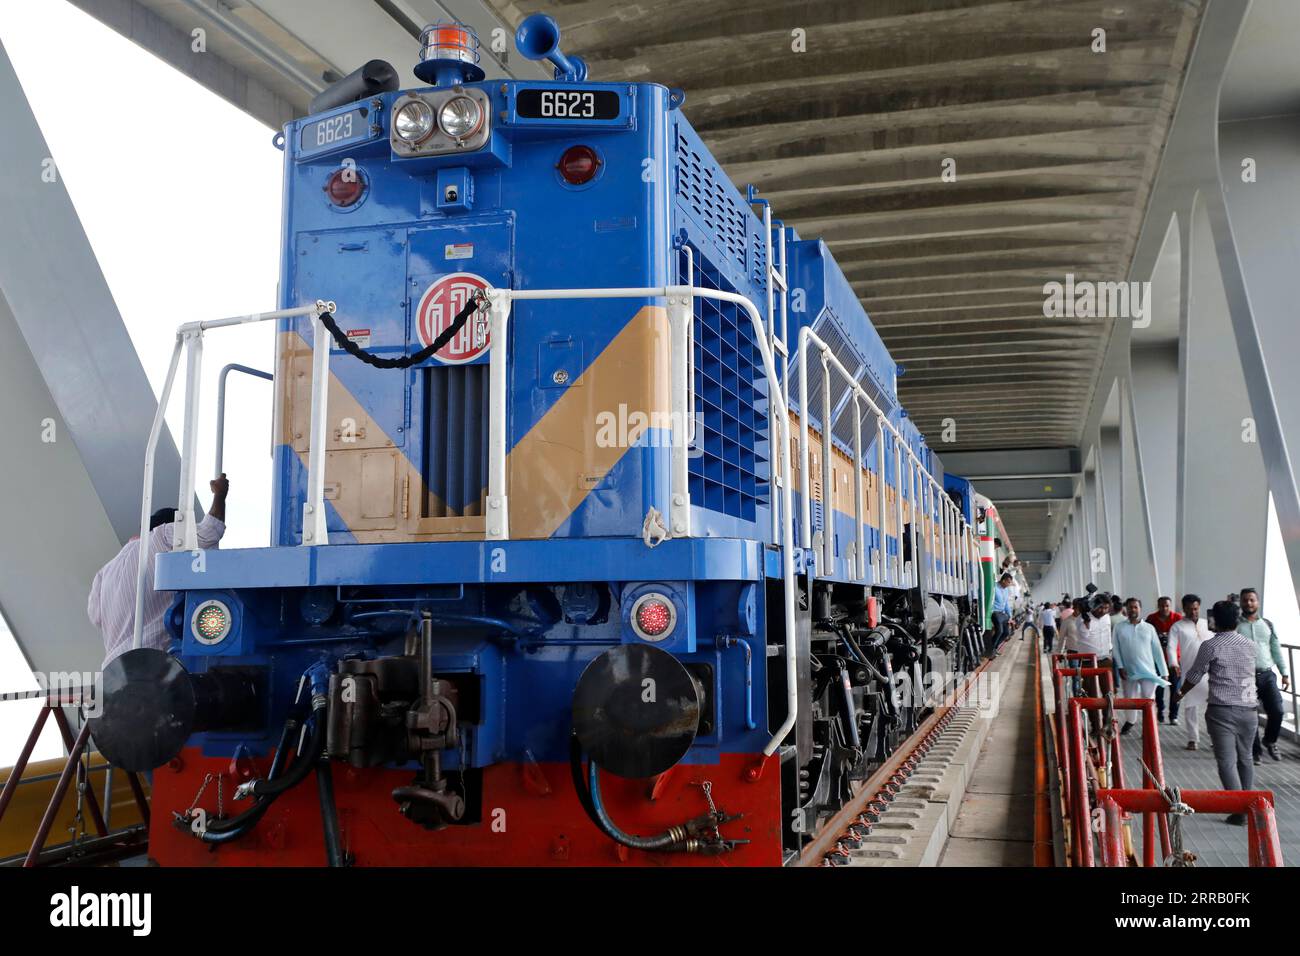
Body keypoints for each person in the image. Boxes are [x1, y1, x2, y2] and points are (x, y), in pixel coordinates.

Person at [89, 475, 229, 666]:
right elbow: (209, 532)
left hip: (113, 675)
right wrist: (220, 495)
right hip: (149, 672)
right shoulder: (163, 536)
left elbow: (95, 617)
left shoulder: (104, 572)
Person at [1175, 600, 1259, 826]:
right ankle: (1247, 805)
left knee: (1227, 762)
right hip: (1250, 710)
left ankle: (1238, 809)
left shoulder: (1211, 646)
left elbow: (1194, 675)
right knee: (1246, 758)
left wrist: (1180, 694)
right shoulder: (1250, 644)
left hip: (1222, 711)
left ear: (1216, 620)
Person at [1237, 587, 1289, 763]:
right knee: (1249, 715)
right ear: (1241, 603)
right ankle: (1255, 752)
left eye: (1252, 600)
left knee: (1277, 710)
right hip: (1245, 677)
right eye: (1245, 600)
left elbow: (1276, 648)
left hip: (1267, 675)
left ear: (1257, 602)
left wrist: (1285, 673)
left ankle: (1270, 740)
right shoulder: (1235, 625)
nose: (1249, 603)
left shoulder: (1267, 624)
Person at [1113, 597, 1168, 735]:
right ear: (1126, 609)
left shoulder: (1149, 628)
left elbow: (1157, 651)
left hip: (1148, 671)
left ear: (1140, 609)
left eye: (1135, 607)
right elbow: (1116, 649)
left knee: (1148, 700)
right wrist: (1120, 667)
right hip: (1128, 671)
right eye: (1130, 607)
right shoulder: (1119, 627)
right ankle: (1131, 721)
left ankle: (1149, 729)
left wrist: (1163, 671)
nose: (1133, 610)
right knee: (1129, 699)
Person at [1062, 595, 1112, 737]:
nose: (1103, 610)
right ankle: (1095, 726)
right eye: (1101, 607)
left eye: (1106, 608)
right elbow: (1083, 636)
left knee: (1109, 693)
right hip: (1088, 662)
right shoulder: (1081, 620)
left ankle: (1107, 723)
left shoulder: (1107, 618)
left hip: (1105, 659)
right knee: (1092, 695)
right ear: (1094, 606)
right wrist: (1086, 623)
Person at [1167, 594, 1210, 750]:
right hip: (1189, 670)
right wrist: (1173, 663)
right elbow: (1171, 646)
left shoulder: (1208, 624)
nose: (1193, 612)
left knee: (1213, 705)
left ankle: (1214, 736)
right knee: (1190, 705)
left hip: (1209, 671)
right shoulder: (1177, 626)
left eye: (1196, 609)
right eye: (1190, 609)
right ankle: (1193, 739)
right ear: (1183, 609)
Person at [1145, 596, 1184, 724]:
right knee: (1159, 689)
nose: (1164, 608)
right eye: (1162, 606)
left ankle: (1173, 715)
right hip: (1157, 660)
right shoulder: (1151, 618)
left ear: (1170, 606)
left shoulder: (1178, 618)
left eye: (1167, 606)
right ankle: (1160, 712)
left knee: (1175, 689)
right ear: (1158, 606)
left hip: (1175, 661)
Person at [987, 572, 1012, 657]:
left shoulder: (1006, 590)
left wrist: (1010, 616)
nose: (1009, 584)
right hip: (995, 612)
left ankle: (995, 648)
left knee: (1006, 633)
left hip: (1002, 614)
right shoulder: (994, 586)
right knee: (999, 631)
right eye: (1008, 582)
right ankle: (990, 650)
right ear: (1003, 580)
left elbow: (1006, 604)